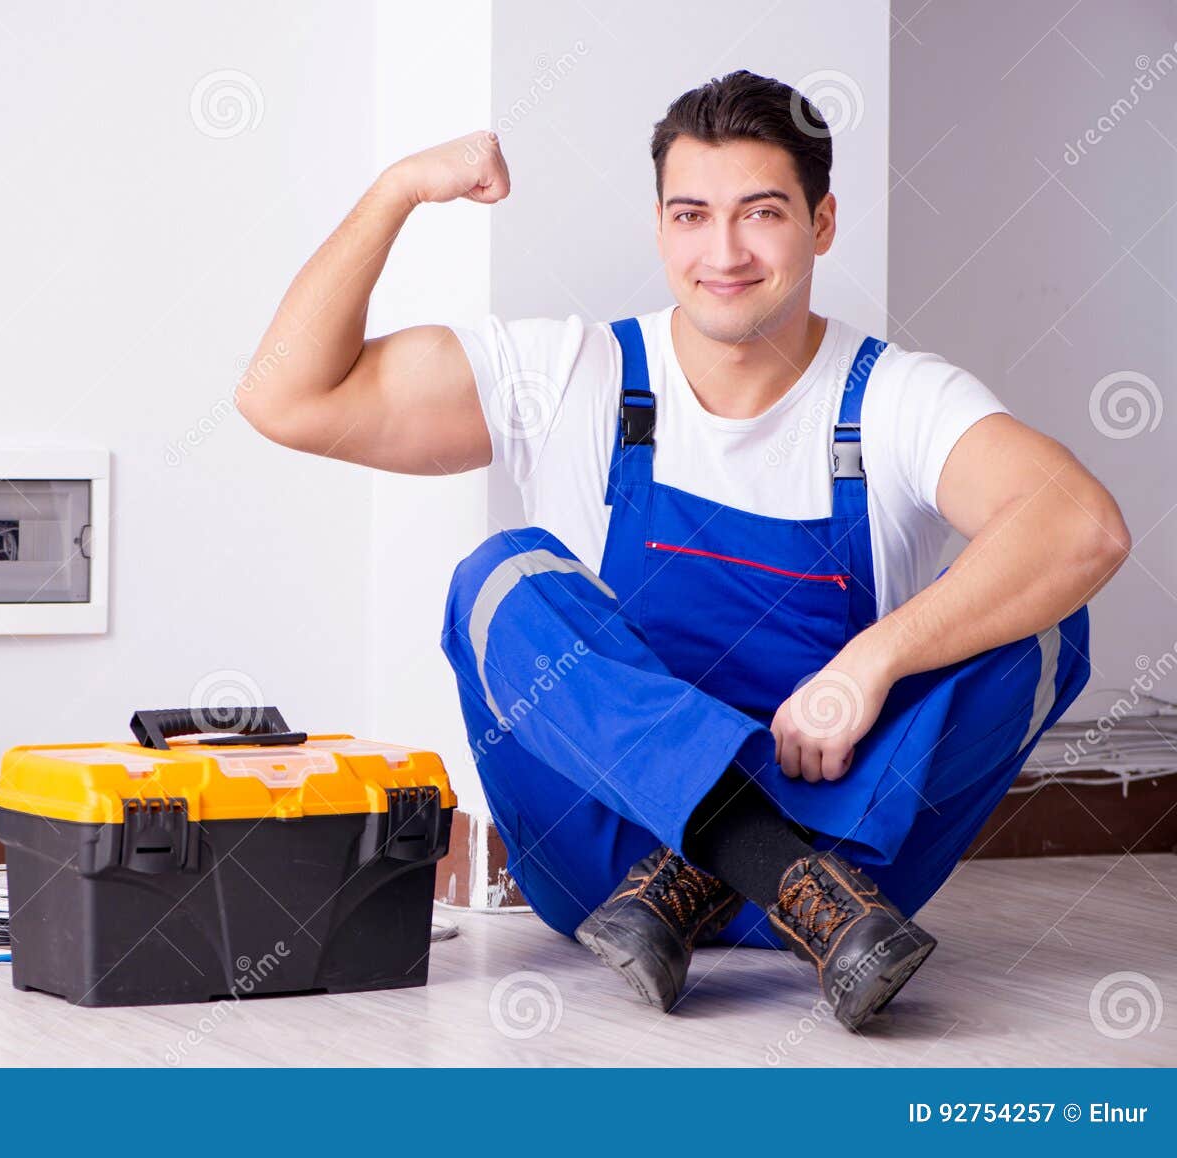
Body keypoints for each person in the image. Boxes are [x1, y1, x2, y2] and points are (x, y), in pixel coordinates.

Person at [237, 70, 1129, 1031]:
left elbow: (1084, 528)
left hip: (849, 856)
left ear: (822, 224)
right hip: (624, 866)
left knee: (1046, 613)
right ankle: (769, 865)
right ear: (660, 227)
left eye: (762, 213)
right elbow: (286, 398)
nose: (725, 252)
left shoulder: (894, 398)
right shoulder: (576, 373)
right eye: (693, 215)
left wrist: (873, 662)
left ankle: (716, 878)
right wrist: (398, 189)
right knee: (498, 579)